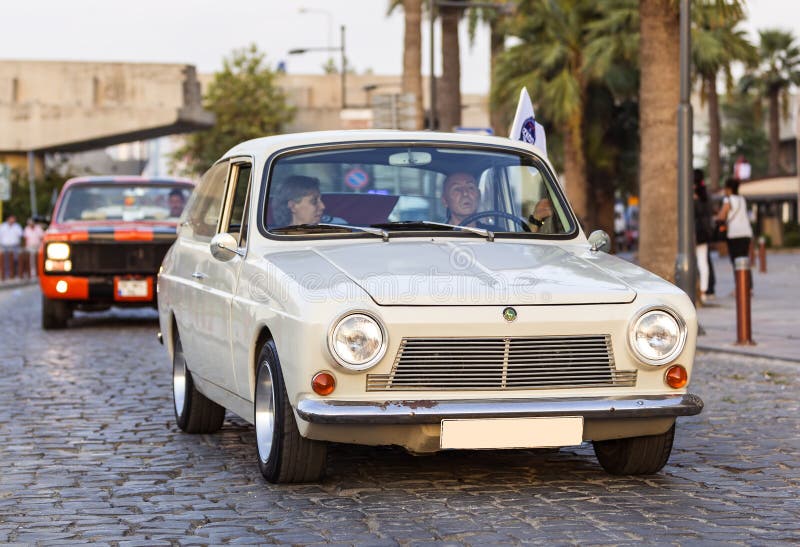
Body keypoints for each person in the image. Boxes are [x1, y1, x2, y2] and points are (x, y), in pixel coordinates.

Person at [441, 172, 552, 232]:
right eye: (456, 189)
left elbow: (522, 255)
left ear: (479, 196)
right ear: (445, 201)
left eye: (470, 187)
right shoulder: (435, 236)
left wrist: (536, 221)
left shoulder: (495, 234)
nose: (465, 193)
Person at [717, 177, 753, 291]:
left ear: (728, 189)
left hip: (734, 234)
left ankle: (740, 287)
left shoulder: (728, 199)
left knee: (736, 262)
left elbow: (722, 215)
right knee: (745, 261)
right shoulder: (742, 199)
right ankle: (749, 287)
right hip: (746, 233)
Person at [693, 170, 714, 303]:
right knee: (703, 262)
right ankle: (704, 290)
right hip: (704, 232)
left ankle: (699, 289)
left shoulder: (693, 195)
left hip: (694, 232)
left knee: (696, 261)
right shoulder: (706, 194)